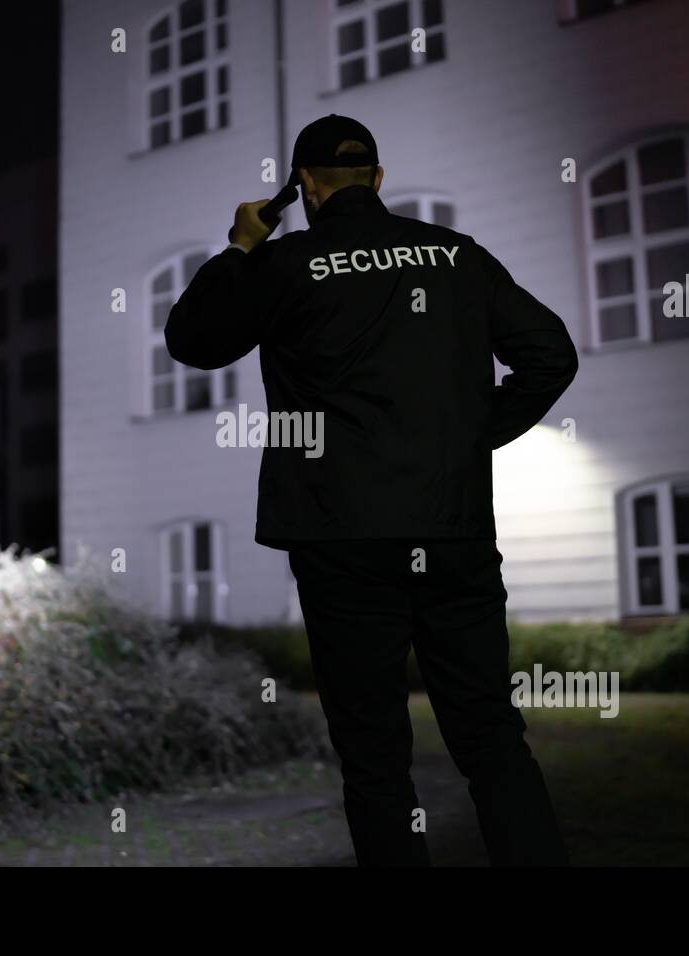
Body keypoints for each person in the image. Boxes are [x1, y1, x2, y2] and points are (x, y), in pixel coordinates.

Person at [165, 114, 578, 867]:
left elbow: (193, 340)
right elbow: (550, 355)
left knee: (373, 752)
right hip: (450, 529)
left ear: (306, 188)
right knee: (489, 736)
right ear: (377, 180)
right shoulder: (456, 257)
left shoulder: (287, 263)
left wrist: (239, 245)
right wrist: (467, 438)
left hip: (341, 539)